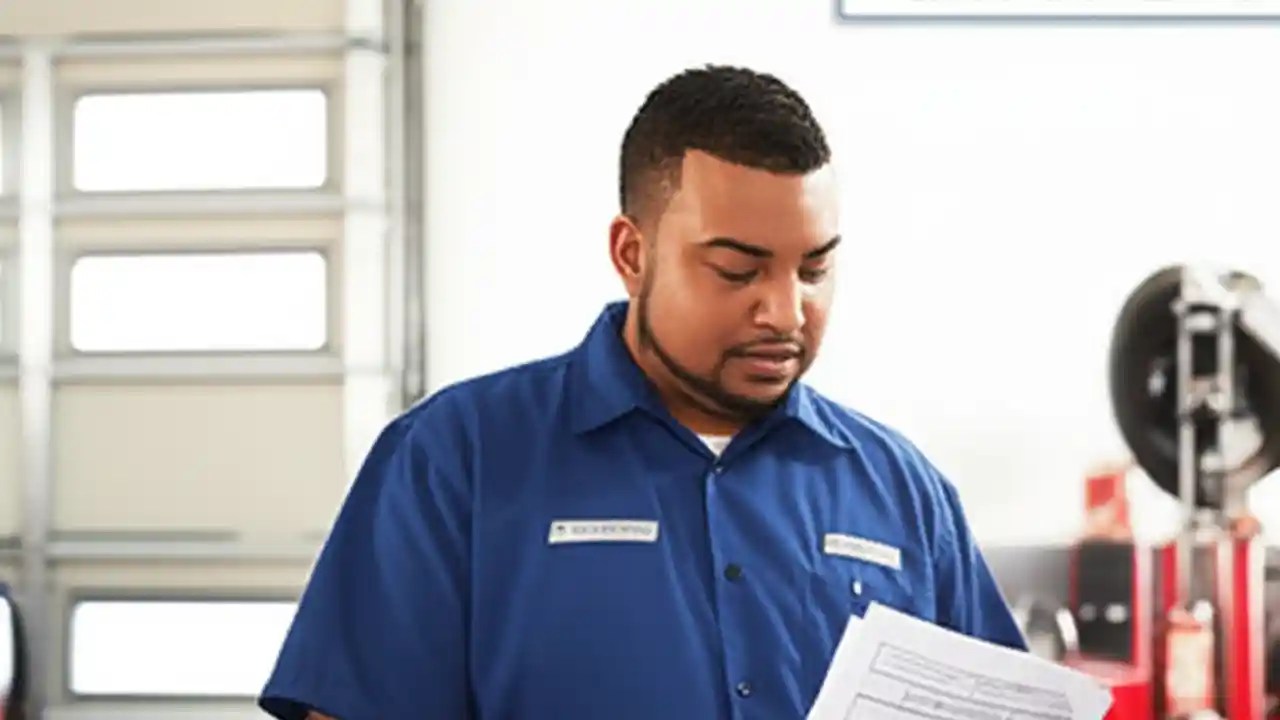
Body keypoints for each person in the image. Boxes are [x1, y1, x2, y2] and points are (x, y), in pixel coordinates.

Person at [258, 64, 1027, 720]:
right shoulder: (454, 460)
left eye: (814, 270)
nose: (786, 312)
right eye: (738, 271)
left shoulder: (904, 493)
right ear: (632, 254)